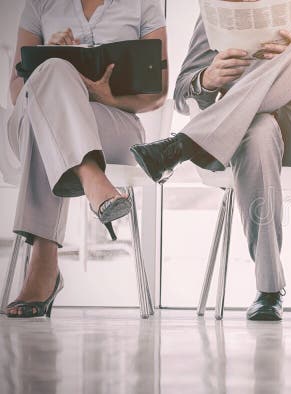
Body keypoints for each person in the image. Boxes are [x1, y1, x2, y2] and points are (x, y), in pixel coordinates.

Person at [130, 0, 291, 321]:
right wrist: (207, 79)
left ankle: (185, 145)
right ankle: (268, 289)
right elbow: (184, 92)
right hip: (248, 128)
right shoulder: (221, 9)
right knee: (256, 132)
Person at [4, 0, 168, 318]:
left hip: (113, 123)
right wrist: (44, 71)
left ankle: (43, 266)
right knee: (53, 73)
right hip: (33, 122)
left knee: (49, 120)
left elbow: (158, 91)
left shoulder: (143, 6)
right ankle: (92, 176)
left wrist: (110, 97)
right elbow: (15, 91)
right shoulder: (39, 6)